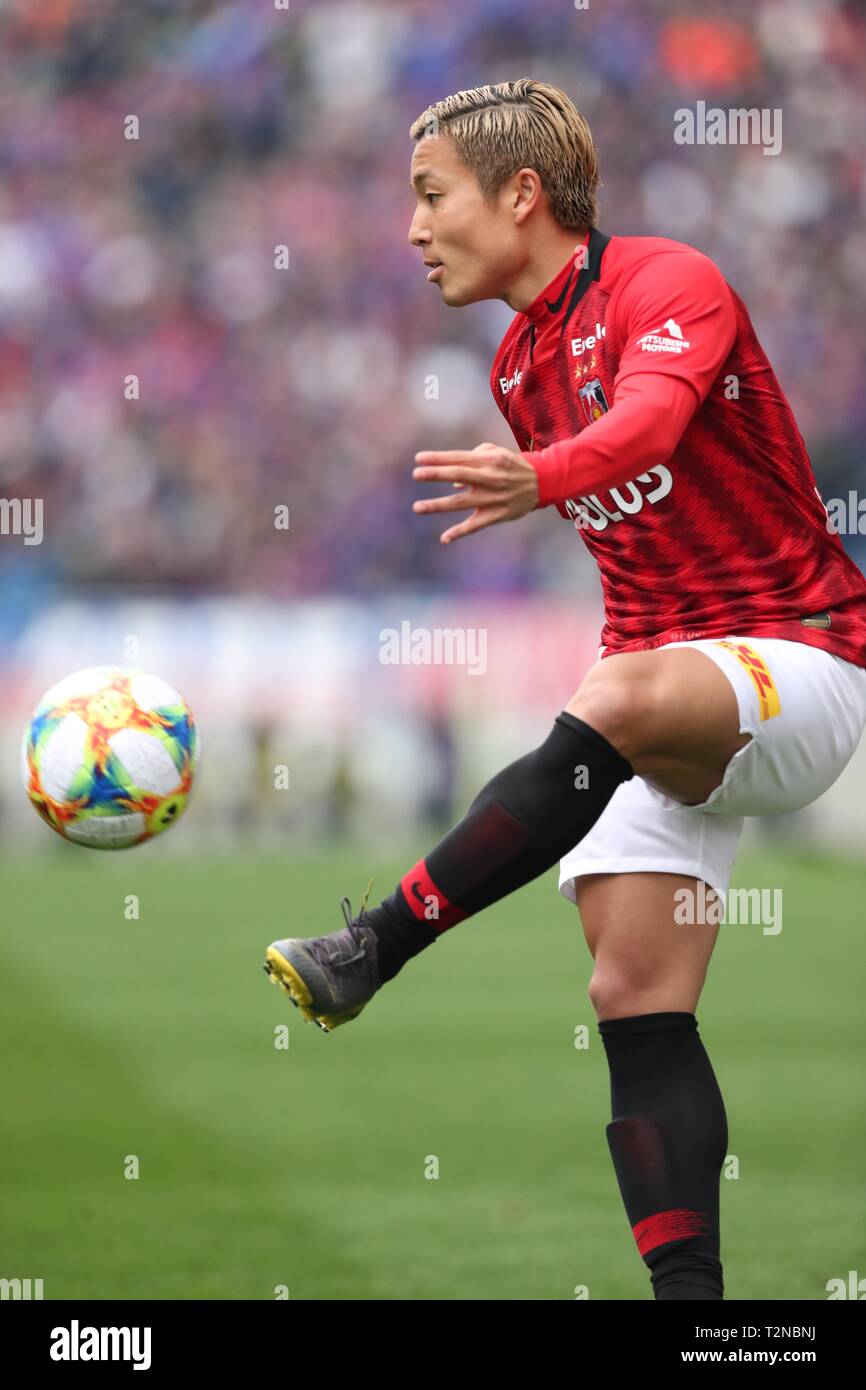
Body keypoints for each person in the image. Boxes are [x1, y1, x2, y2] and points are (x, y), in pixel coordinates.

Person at [263, 79, 866, 1301]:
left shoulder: (666, 282)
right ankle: (695, 1318)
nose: (414, 228)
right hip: (667, 690)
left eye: (431, 197)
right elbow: (636, 544)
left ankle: (373, 945)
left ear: (520, 194)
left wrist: (539, 476)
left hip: (802, 662)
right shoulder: (520, 360)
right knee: (630, 996)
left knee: (622, 690)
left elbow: (647, 428)